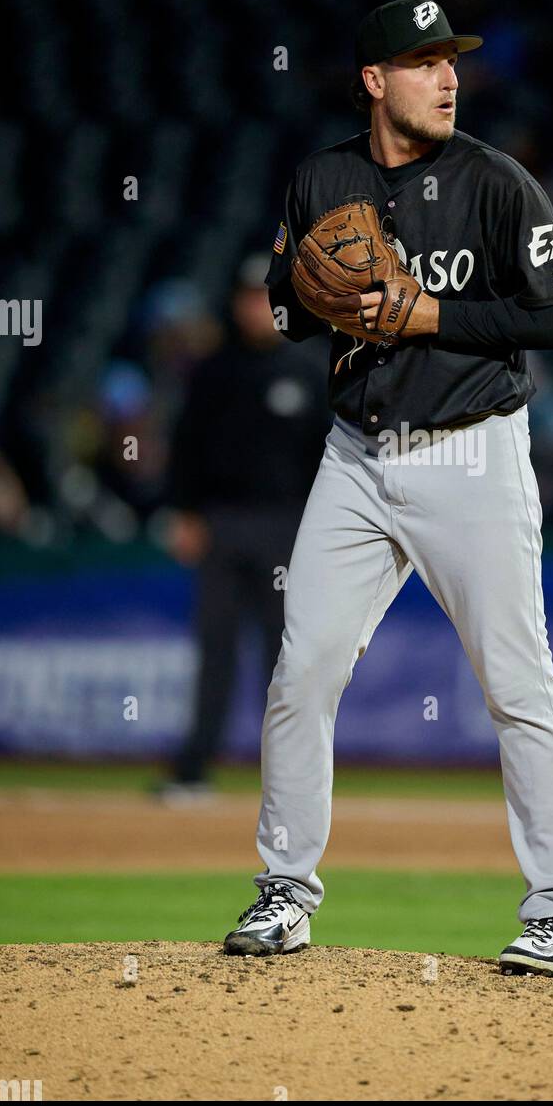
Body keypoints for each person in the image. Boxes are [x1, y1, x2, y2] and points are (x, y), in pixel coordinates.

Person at [223, 0, 553, 976]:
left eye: (452, 61)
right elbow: (284, 308)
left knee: (515, 684)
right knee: (301, 670)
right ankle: (285, 891)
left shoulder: (496, 182)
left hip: (470, 451)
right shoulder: (321, 178)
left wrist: (430, 313)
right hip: (353, 455)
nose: (448, 77)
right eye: (423, 61)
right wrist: (309, 296)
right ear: (375, 81)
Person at [157, 255, 330, 801]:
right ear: (235, 304)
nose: (257, 308)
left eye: (266, 298)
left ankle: (287, 778)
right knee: (217, 650)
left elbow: (330, 460)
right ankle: (194, 768)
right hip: (221, 524)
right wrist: (183, 512)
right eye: (248, 298)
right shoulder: (213, 370)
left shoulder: (307, 369)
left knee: (287, 657)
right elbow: (184, 446)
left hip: (286, 529)